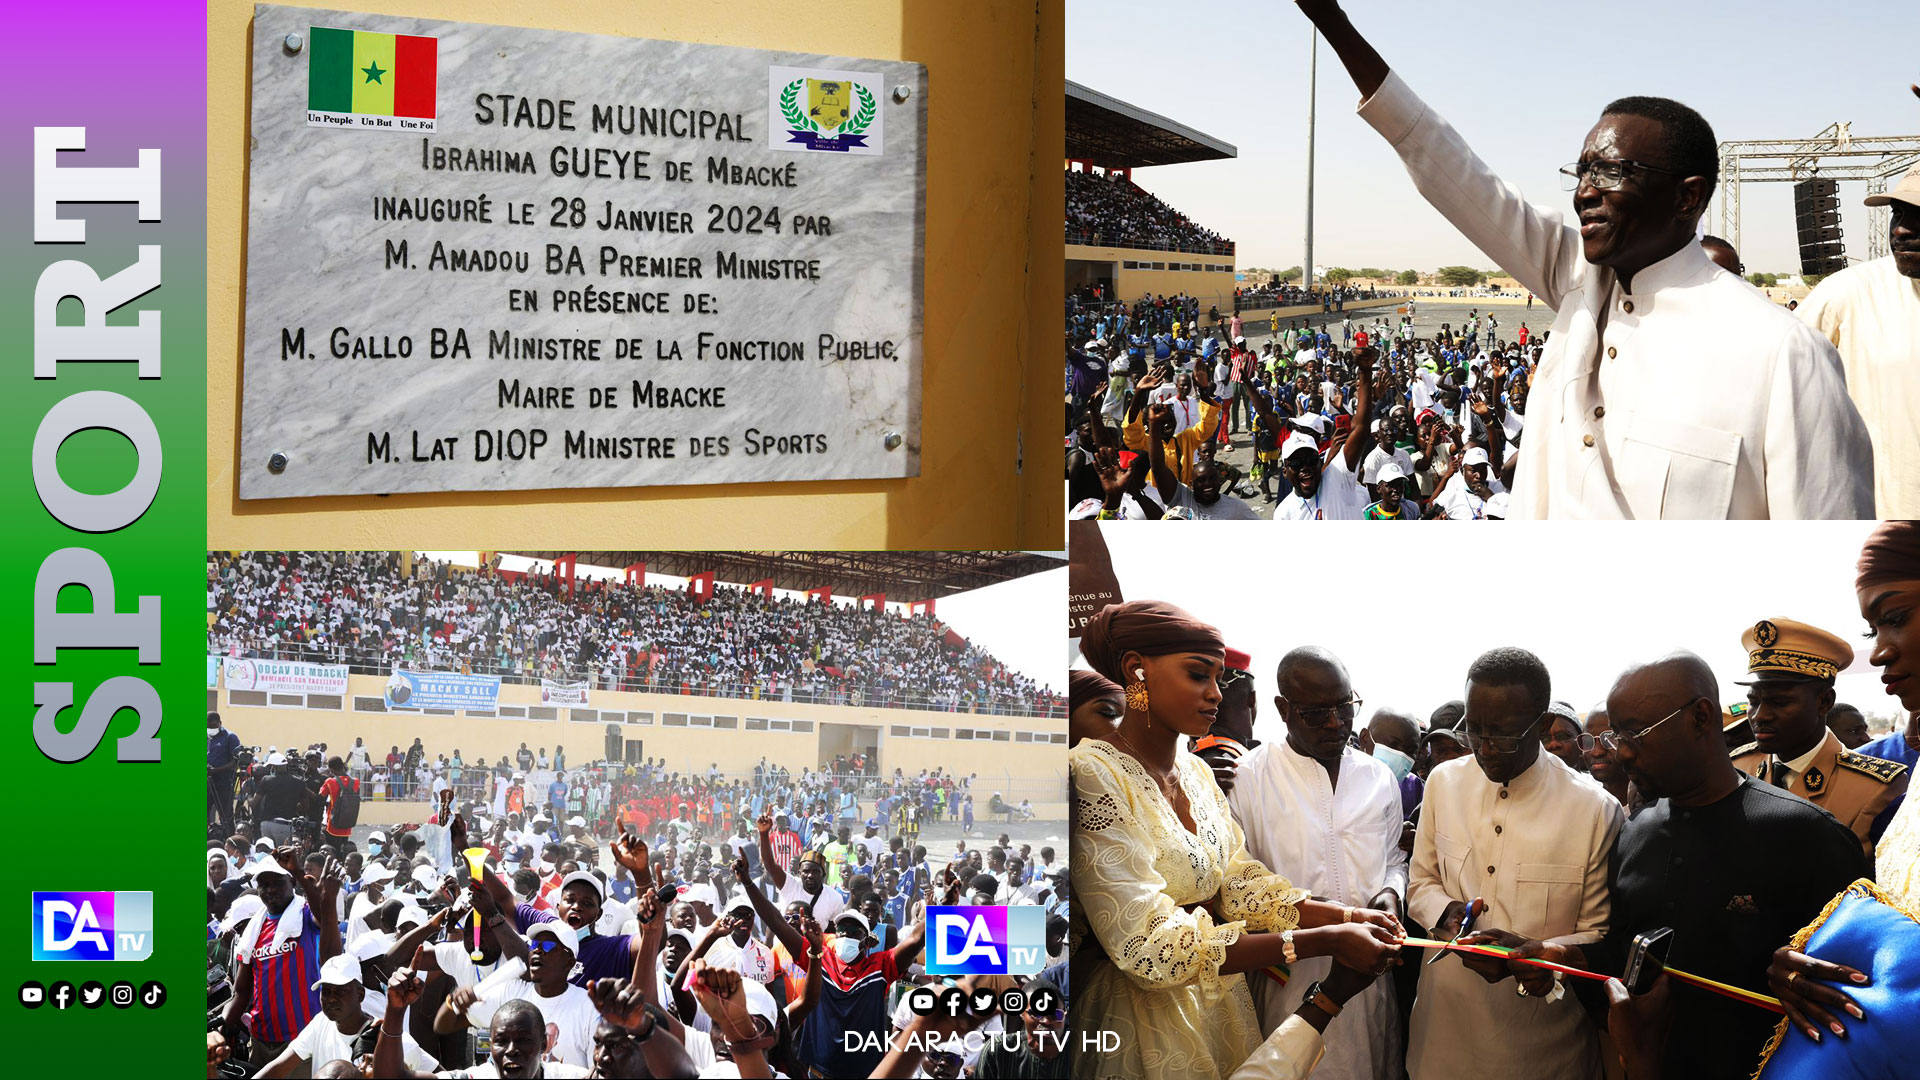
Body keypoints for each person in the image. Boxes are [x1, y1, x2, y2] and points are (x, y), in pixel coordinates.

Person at [1292, 0, 1873, 519]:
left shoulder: (1785, 357)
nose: (1585, 191)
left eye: (1611, 171)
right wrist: (1334, 22)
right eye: (1583, 170)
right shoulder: (1575, 280)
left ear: (1687, 196)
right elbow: (1450, 166)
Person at [1072, 600, 1403, 1079]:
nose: (1214, 696)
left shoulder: (1196, 773)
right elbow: (1149, 946)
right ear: (1136, 671)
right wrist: (1325, 939)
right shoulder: (1092, 774)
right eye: (1197, 675)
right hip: (1141, 1022)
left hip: (1221, 1010)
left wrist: (1351, 915)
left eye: (1218, 680)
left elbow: (1241, 883)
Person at [1505, 653, 1871, 1079]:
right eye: (1614, 736)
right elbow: (1627, 949)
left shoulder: (1809, 837)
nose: (1621, 752)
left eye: (1635, 734)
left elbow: (1859, 998)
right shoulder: (1637, 830)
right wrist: (1561, 955)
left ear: (1700, 718)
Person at [1405, 647, 1623, 1080]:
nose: (1484, 749)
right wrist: (1449, 916)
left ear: (1542, 726)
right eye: (1474, 731)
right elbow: (1421, 883)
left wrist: (1541, 957)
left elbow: (1598, 933)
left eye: (1501, 735)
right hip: (1441, 1045)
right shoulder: (1444, 784)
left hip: (1544, 1053)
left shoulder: (1594, 810)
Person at [1228, 647, 1409, 1080]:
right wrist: (1327, 918)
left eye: (1345, 707)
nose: (1336, 723)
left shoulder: (1378, 777)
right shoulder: (1247, 778)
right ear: (1282, 709)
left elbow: (1395, 861)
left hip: (1370, 984)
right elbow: (1233, 890)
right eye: (1316, 713)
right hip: (1286, 986)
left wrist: (1390, 892)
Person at [1727, 617, 1908, 860]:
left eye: (1780, 702)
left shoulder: (1876, 788)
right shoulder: (1737, 767)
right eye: (1753, 702)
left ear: (1824, 702)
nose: (1760, 716)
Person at [1798, 162, 1920, 518]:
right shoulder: (1850, 292)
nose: (1900, 229)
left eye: (1919, 214)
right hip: (1883, 525)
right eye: (1898, 212)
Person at [220, 851, 345, 1071]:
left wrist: (297, 869)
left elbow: (325, 915)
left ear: (292, 882)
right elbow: (242, 992)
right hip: (261, 1041)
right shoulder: (253, 931)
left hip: (300, 1043)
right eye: (264, 884)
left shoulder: (304, 915)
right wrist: (222, 1027)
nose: (270, 890)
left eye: (277, 882)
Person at [253, 953, 441, 1077]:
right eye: (326, 991)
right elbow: (278, 1067)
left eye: (340, 991)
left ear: (360, 994)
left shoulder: (388, 1040)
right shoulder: (321, 1023)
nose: (331, 999)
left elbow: (440, 1073)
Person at [208, 711, 243, 832]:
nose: (210, 729)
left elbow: (235, 761)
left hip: (223, 784)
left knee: (226, 817)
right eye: (208, 727)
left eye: (213, 726)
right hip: (206, 783)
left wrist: (215, 770)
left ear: (219, 723)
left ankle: (229, 841)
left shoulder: (230, 737)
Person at [1539, 701, 1588, 773]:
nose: (1554, 745)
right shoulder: (1523, 784)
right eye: (1544, 739)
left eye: (1563, 736)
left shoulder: (1596, 783)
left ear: (1581, 742)